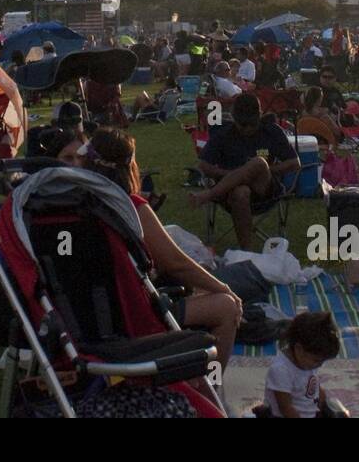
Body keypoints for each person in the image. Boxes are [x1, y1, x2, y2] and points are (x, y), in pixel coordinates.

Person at [82, 127, 242, 385]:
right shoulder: (130, 207)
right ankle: (205, 389)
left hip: (84, 319)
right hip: (131, 316)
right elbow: (177, 264)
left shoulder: (71, 205)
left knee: (193, 289)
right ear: (129, 166)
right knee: (226, 306)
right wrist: (223, 288)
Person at [190, 92, 300, 249]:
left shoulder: (271, 131)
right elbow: (202, 165)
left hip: (264, 189)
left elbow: (295, 163)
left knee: (259, 163)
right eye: (242, 124)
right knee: (241, 191)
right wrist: (233, 176)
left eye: (252, 124)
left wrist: (265, 170)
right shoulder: (223, 133)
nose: (247, 129)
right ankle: (246, 252)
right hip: (230, 193)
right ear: (234, 118)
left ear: (260, 116)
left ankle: (208, 195)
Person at [262, 312, 342, 418]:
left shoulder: (306, 362)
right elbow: (285, 408)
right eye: (316, 360)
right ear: (299, 349)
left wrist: (323, 406)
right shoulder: (281, 370)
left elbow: (312, 384)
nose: (319, 365)